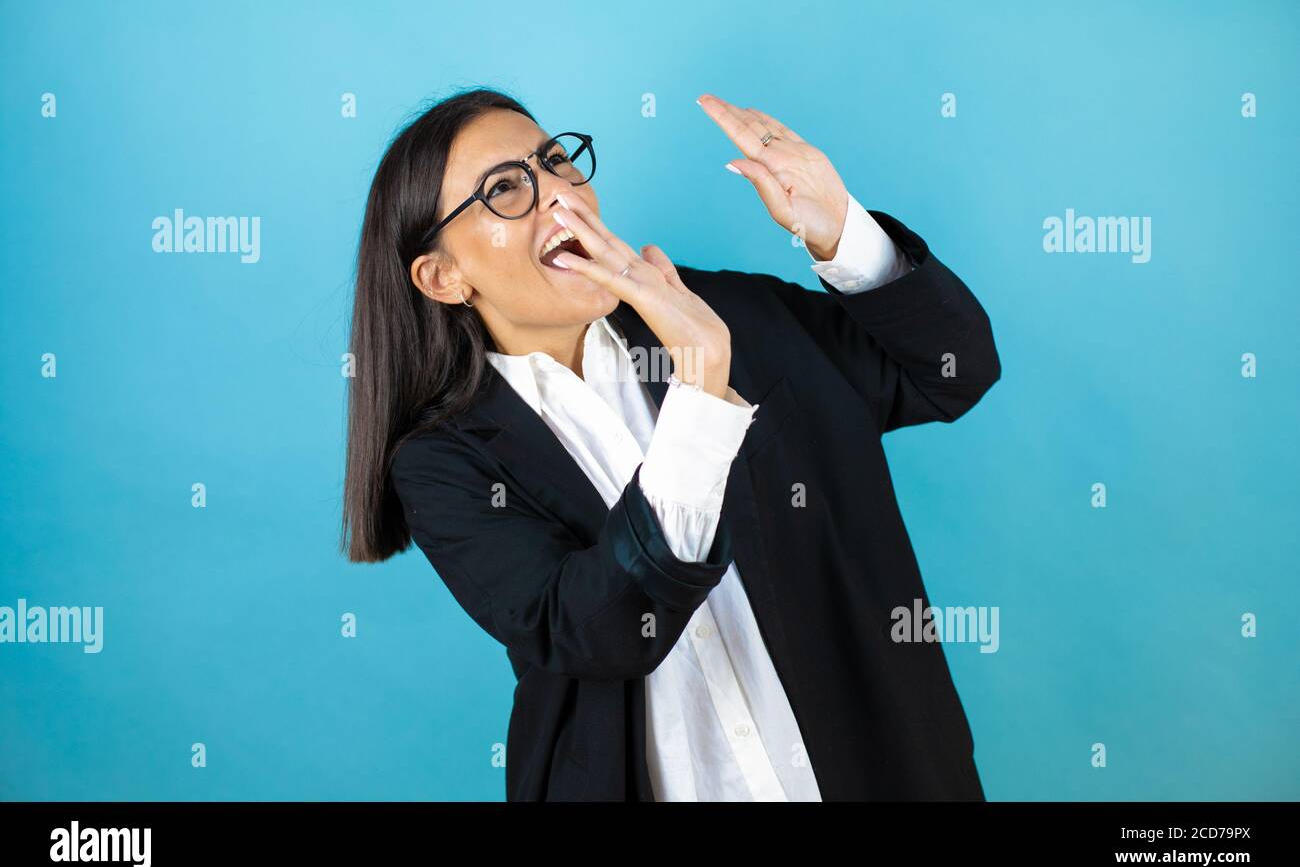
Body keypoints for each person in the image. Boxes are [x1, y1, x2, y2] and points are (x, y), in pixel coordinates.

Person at [341, 86, 1001, 801]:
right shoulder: (445, 464)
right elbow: (600, 635)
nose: (558, 195)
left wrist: (838, 228)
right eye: (506, 189)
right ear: (443, 277)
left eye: (556, 161)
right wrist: (700, 395)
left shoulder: (725, 315)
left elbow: (951, 374)